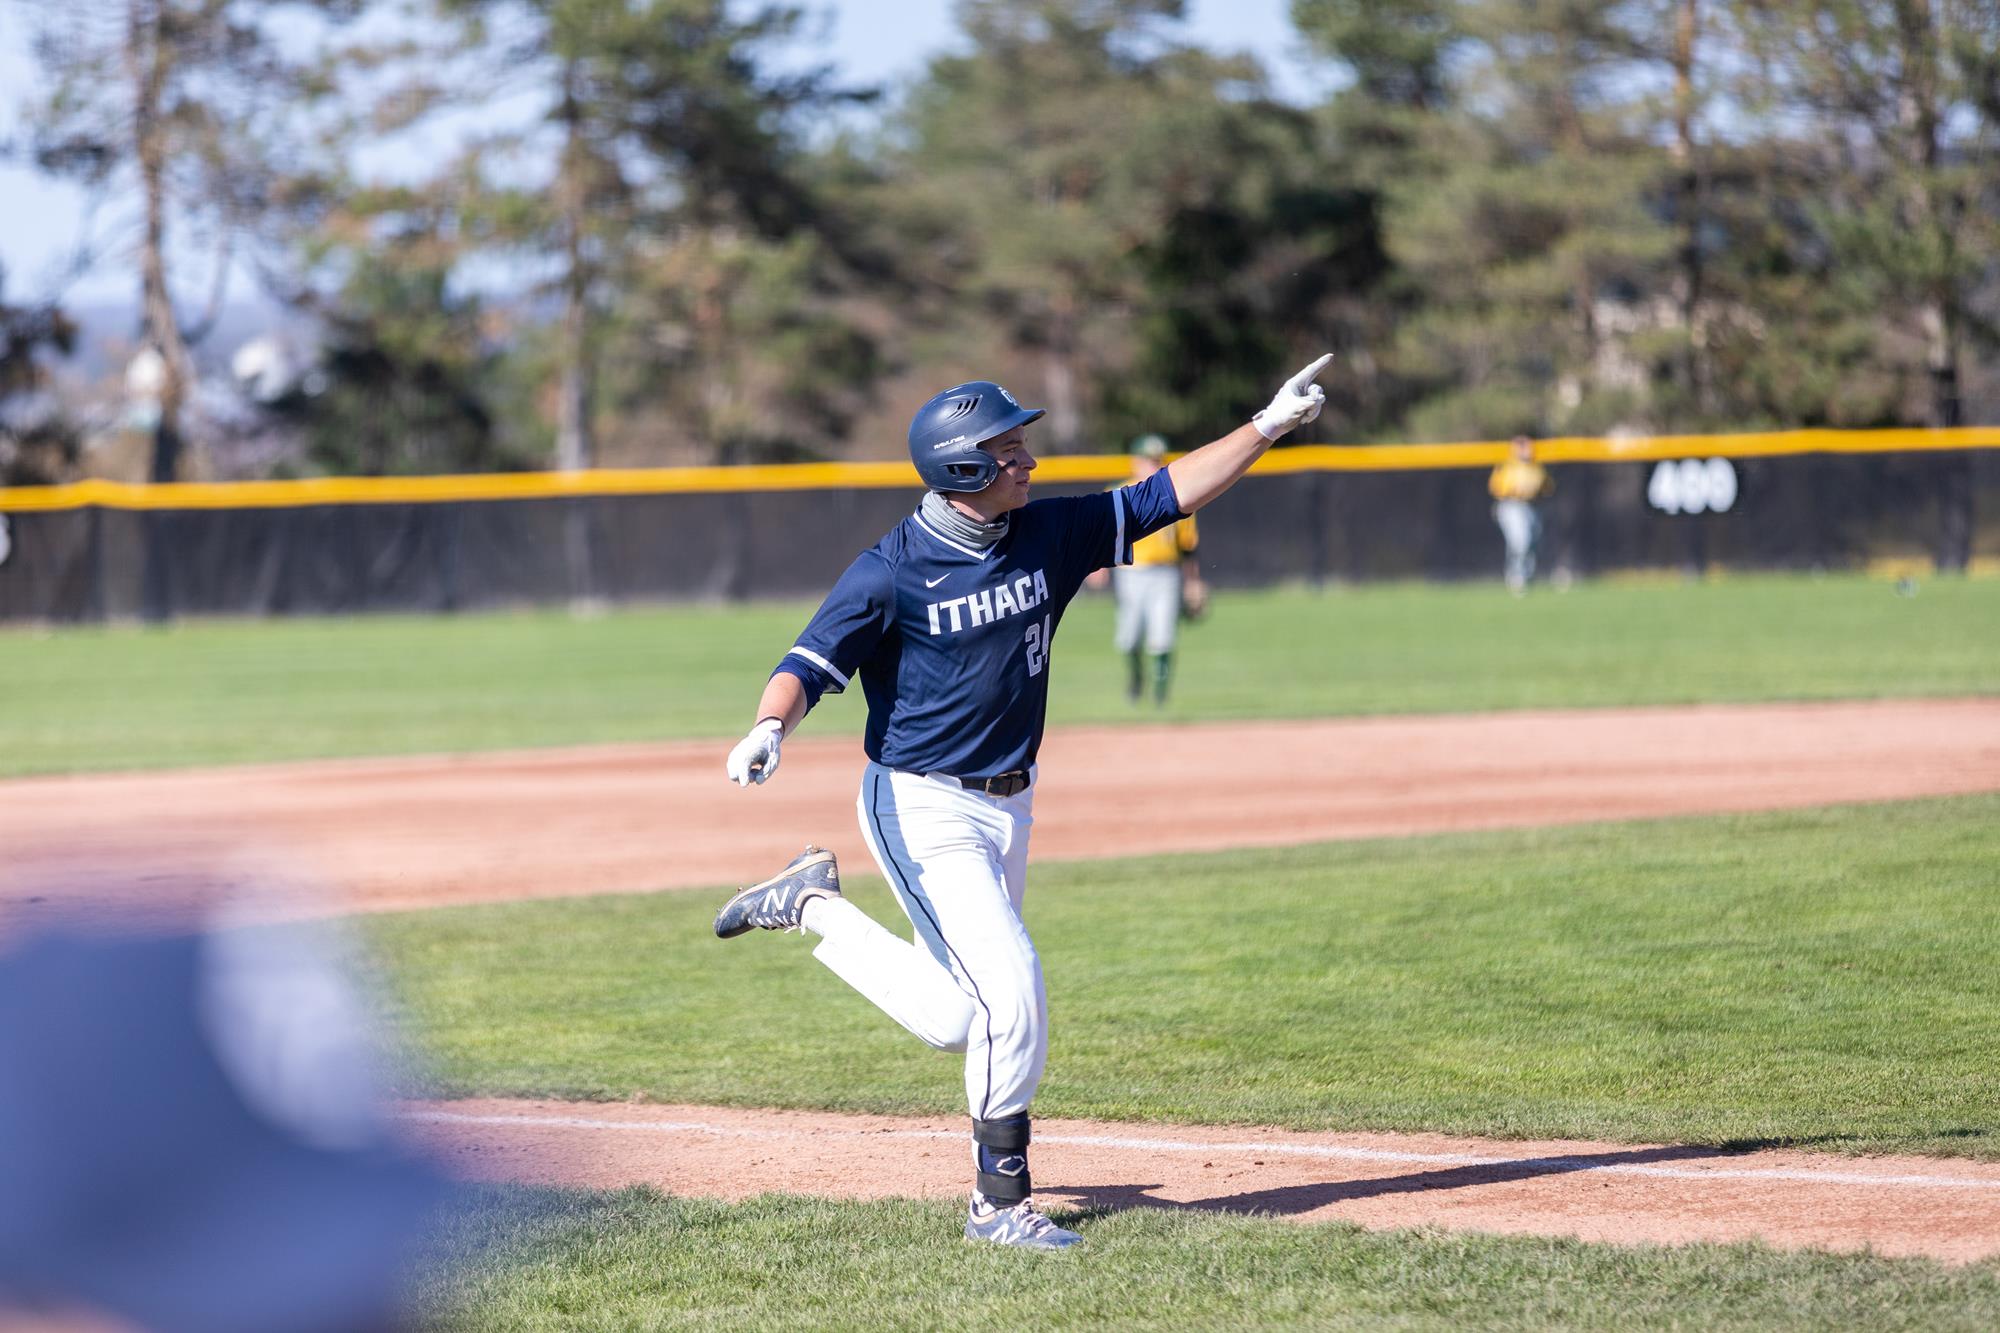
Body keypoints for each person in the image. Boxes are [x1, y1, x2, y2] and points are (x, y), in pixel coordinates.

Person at [713, 356, 1332, 1250]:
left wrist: (1266, 425)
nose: (1029, 463)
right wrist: (770, 726)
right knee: (1013, 991)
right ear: (964, 469)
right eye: (1010, 452)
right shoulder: (890, 571)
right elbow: (809, 663)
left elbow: (1166, 496)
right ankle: (997, 1200)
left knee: (957, 1018)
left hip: (1011, 802)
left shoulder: (1049, 535)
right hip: (920, 805)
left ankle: (808, 902)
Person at [1111, 434, 1205, 706]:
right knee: (1129, 637)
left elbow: (1188, 546)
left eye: (1158, 461)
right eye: (1149, 461)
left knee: (1162, 635)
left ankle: (1161, 697)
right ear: (1135, 462)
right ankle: (1136, 678)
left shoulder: (1175, 497)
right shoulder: (1117, 494)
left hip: (1166, 573)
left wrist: (1193, 582)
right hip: (1130, 573)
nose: (1154, 466)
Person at [1488, 434, 1555, 594]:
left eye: (1528, 445)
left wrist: (1538, 490)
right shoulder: (1508, 465)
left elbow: (1548, 487)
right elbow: (1495, 488)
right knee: (1520, 541)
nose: (1527, 449)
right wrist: (1515, 489)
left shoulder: (1536, 466)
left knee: (1533, 543)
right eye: (1523, 446)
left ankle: (1527, 577)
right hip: (1512, 505)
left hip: (1532, 506)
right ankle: (1516, 577)